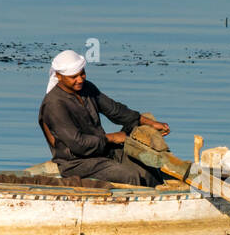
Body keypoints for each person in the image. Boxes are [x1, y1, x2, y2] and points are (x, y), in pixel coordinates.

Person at [37, 49, 171, 186]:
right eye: (73, 77)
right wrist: (111, 138)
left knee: (148, 170)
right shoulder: (54, 104)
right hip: (76, 163)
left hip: (103, 151)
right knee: (130, 176)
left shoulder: (87, 88)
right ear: (59, 76)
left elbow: (115, 111)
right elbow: (78, 144)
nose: (80, 79)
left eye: (82, 73)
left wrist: (148, 122)